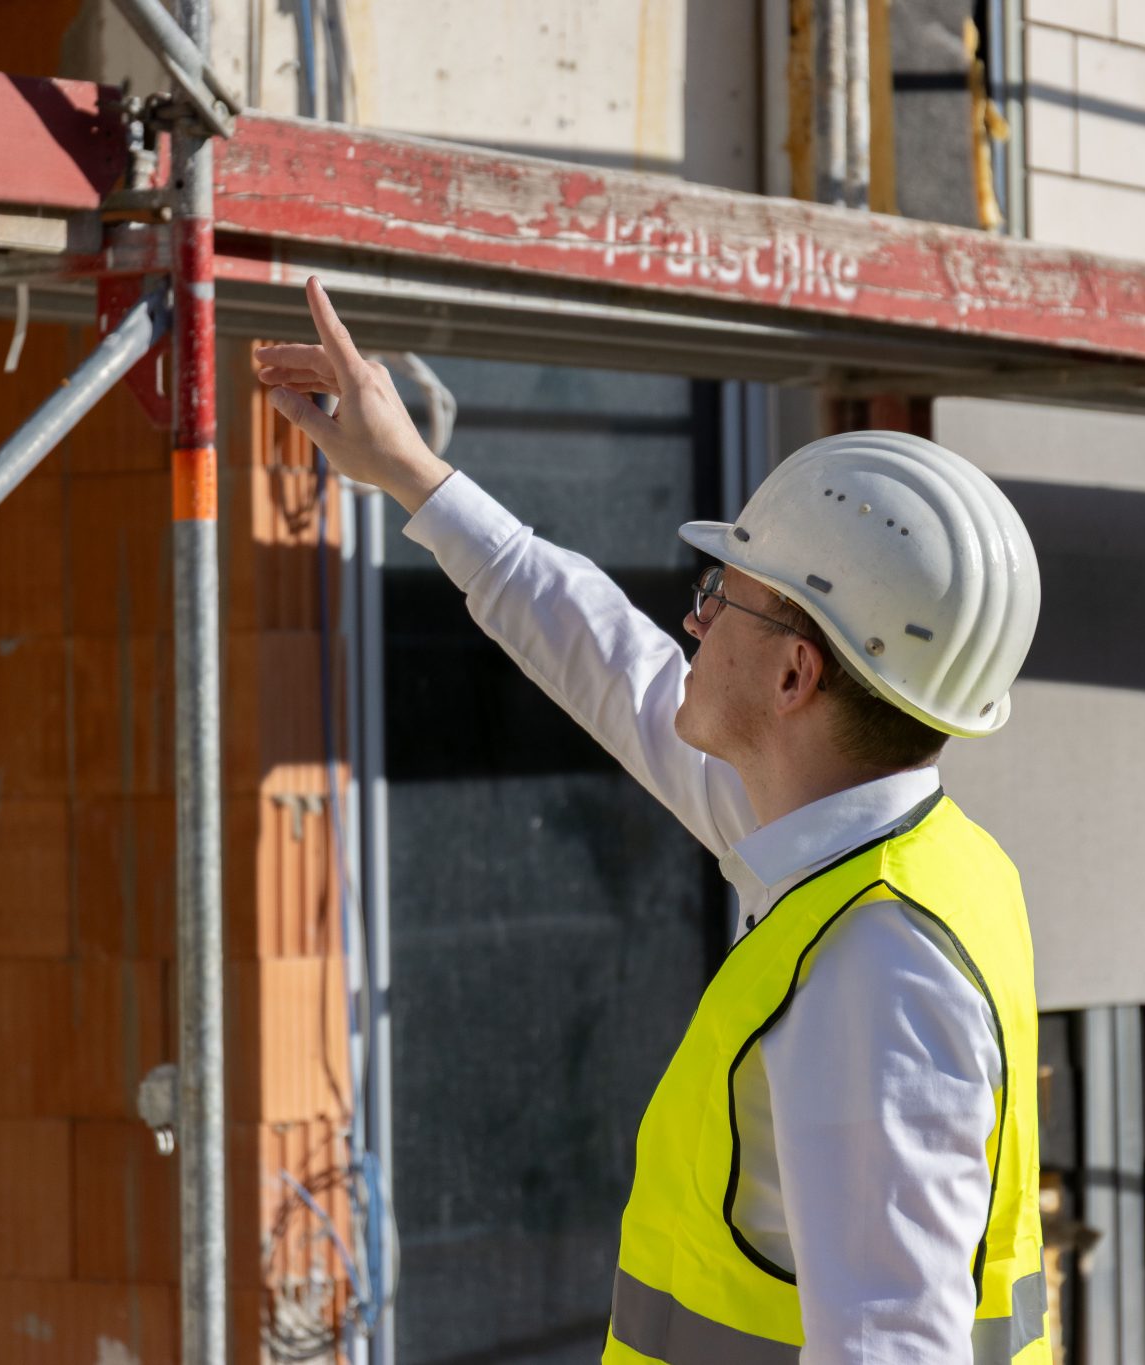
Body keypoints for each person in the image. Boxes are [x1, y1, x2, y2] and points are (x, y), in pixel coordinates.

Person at [256, 278, 1046, 1365]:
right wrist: (411, 474)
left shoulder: (877, 968)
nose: (696, 613)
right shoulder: (894, 856)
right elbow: (614, 669)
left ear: (791, 675)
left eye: (727, 592)